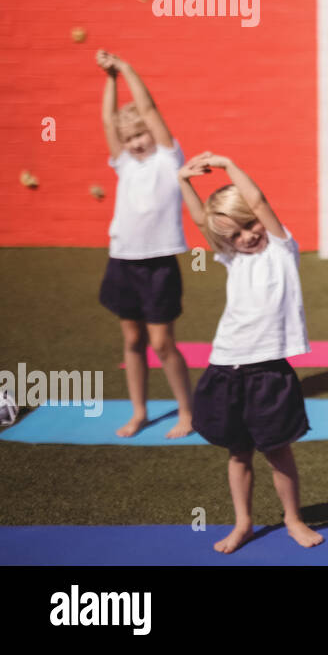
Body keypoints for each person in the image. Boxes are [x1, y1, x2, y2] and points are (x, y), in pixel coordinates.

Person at [178, 152, 321, 554]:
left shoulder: (281, 247)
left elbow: (257, 201)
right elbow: (201, 221)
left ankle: (293, 518)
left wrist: (227, 165)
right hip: (225, 366)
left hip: (269, 370)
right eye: (235, 233)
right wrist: (183, 181)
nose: (246, 236)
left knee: (278, 452)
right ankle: (243, 522)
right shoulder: (231, 257)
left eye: (249, 225)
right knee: (238, 453)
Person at [94, 50, 193, 439]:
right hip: (122, 261)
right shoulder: (124, 163)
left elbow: (149, 109)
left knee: (162, 342)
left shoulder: (168, 159)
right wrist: (110, 80)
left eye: (140, 135)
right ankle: (139, 411)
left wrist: (127, 69)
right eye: (129, 137)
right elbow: (107, 119)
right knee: (132, 340)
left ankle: (187, 411)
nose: (135, 142)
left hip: (158, 265)